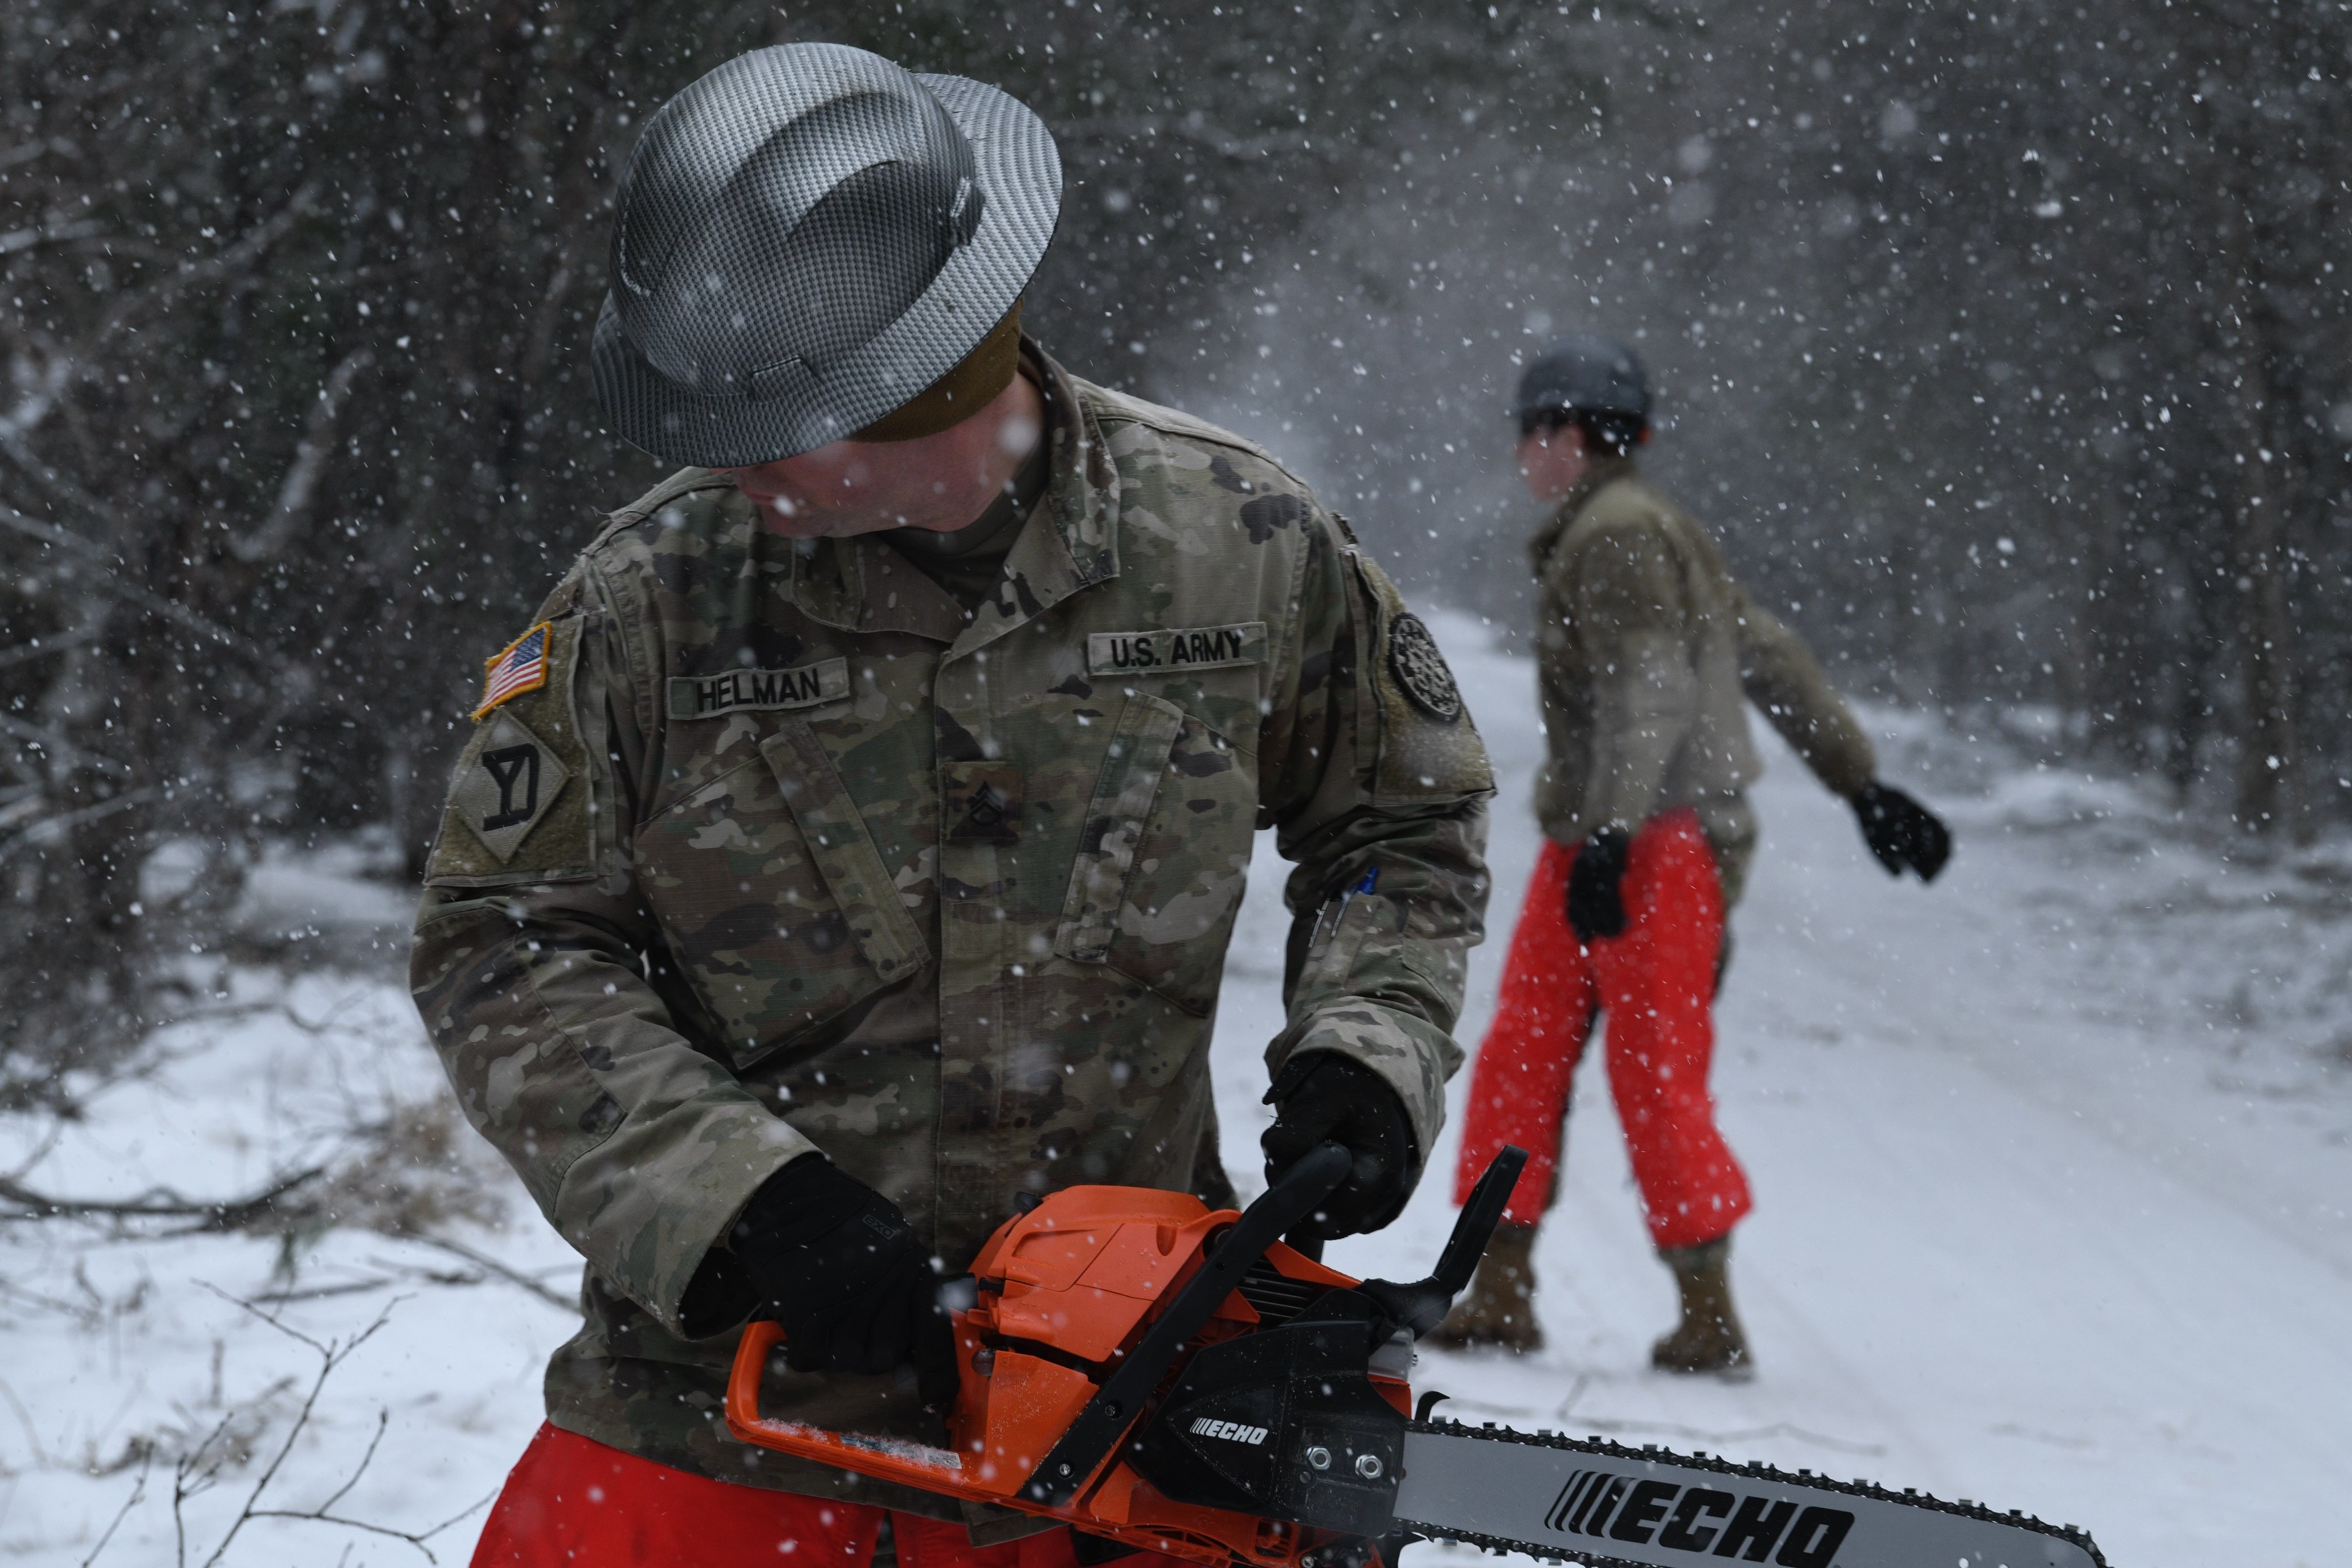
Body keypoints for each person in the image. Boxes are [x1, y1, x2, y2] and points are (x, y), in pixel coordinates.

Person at [409, 44, 1493, 1568]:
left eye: (782, 426)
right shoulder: (643, 612)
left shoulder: (1239, 545)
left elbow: (1399, 823)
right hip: (726, 1421)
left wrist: (1365, 1054)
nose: (741, 471)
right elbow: (507, 946)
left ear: (930, 385)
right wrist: (732, 1199)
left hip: (1121, 1404)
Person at [1432, 336, 1949, 1374]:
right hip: (1604, 833)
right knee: (1524, 1052)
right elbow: (1762, 648)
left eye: (1531, 432)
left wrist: (1617, 833)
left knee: (1650, 1072)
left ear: (1567, 434)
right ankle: (1498, 1288)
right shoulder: (1645, 527)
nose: (1523, 454)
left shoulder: (1617, 536)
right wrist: (1861, 782)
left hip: (1650, 842)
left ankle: (1706, 1317)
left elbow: (1654, 689)